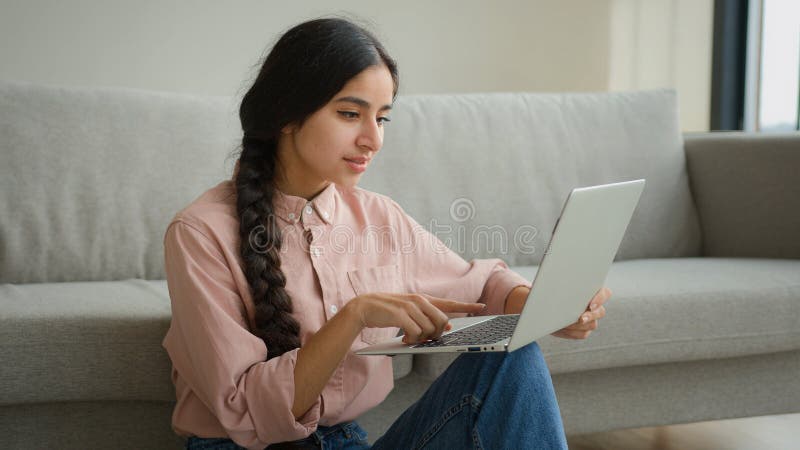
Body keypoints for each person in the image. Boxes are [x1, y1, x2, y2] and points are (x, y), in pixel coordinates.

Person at [162, 17, 611, 450]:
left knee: (515, 358)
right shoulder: (200, 233)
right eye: (350, 113)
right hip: (246, 448)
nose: (372, 140)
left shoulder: (379, 216)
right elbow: (245, 413)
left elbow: (482, 282)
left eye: (382, 119)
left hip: (349, 443)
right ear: (286, 113)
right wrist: (353, 317)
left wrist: (539, 306)